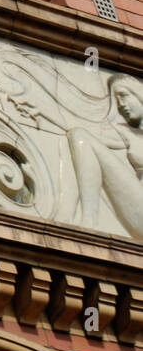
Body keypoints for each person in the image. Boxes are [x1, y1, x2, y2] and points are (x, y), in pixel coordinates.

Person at [67, 73, 143, 238]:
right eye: (116, 99)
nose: (121, 105)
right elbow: (73, 127)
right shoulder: (126, 132)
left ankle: (89, 221)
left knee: (80, 136)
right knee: (79, 136)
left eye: (123, 95)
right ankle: (89, 220)